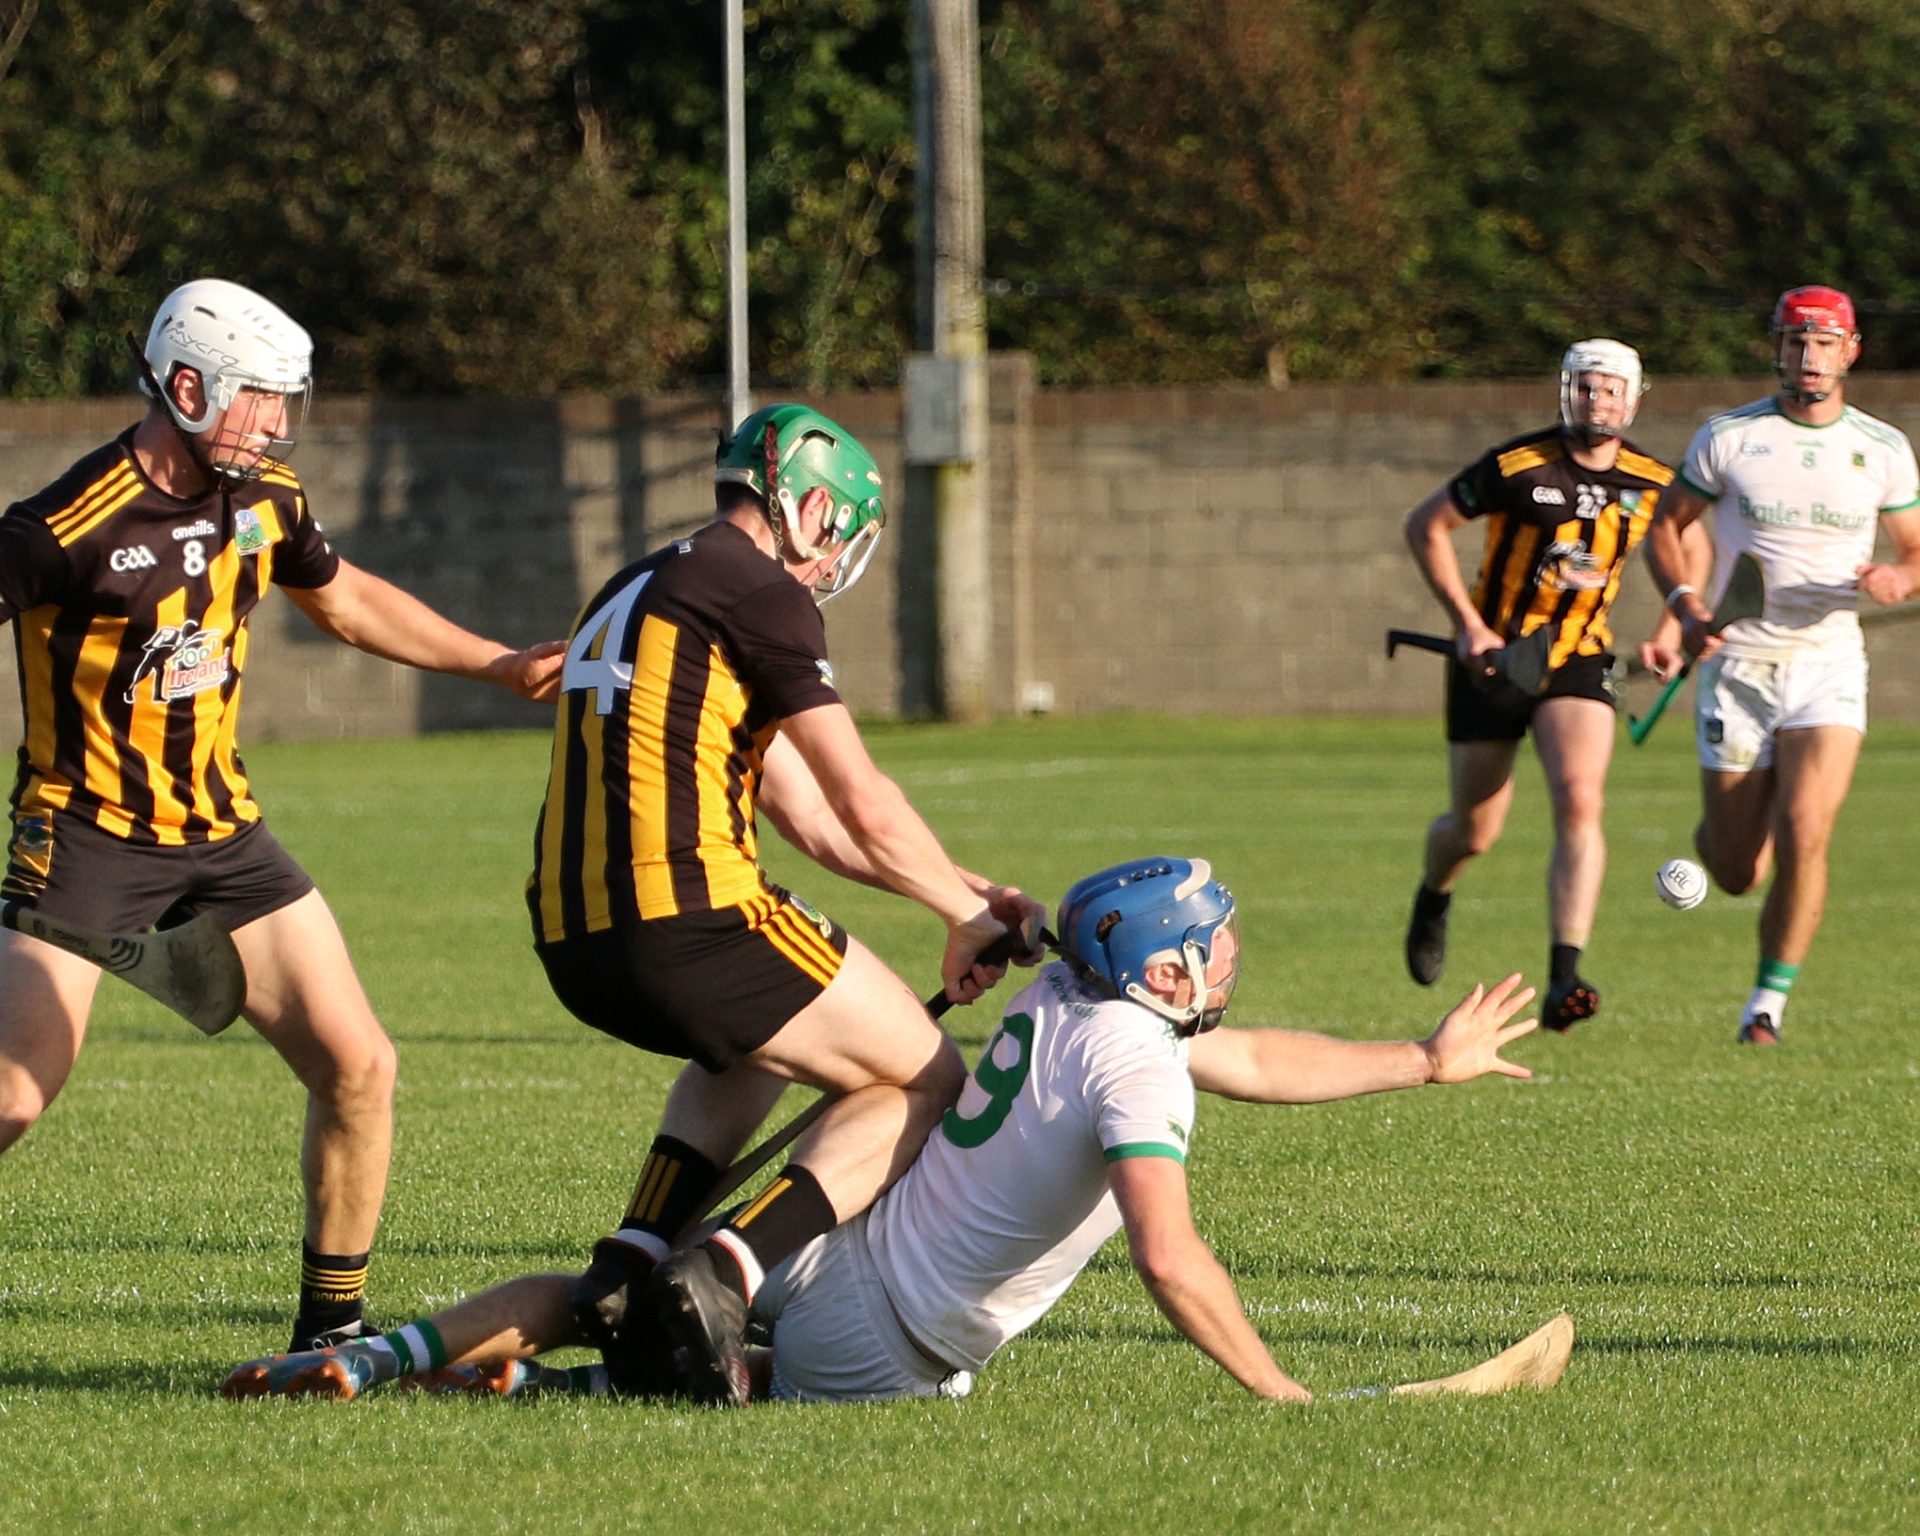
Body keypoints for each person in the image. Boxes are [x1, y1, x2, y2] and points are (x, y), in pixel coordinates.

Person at [221, 856, 1537, 1405]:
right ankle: (575, 1390)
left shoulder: (1070, 989)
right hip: (886, 1336)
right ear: (1168, 972)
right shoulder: (1144, 1072)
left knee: (605, 1297)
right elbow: (1171, 1258)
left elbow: (1251, 1055)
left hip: (831, 1237)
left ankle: (382, 1359)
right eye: (1215, 944)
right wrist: (1281, 1391)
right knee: (677, 1390)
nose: (1232, 956)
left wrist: (1421, 1061)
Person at [0, 278, 564, 1349]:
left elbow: (343, 598)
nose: (276, 422)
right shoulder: (66, 524)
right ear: (184, 387)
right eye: (256, 398)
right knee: (12, 1102)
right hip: (84, 843)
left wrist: (498, 666)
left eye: (283, 400)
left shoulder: (265, 498)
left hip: (223, 840)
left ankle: (330, 1334)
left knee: (359, 1066)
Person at [520, 402, 1043, 1403]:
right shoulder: (758, 593)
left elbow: (808, 819)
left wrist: (966, 889)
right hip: (688, 919)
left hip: (574, 940)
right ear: (804, 509)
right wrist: (958, 921)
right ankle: (727, 1273)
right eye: (836, 532)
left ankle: (631, 1260)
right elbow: (862, 801)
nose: (832, 561)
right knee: (927, 1077)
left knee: (767, 1036)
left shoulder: (636, 581)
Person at [1639, 287, 1920, 1045]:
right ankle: (1723, 839)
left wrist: (1899, 578)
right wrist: (1689, 603)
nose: (1810, 356)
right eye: (1798, 341)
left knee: (1806, 830)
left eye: (1826, 343)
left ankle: (1766, 1005)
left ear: (1852, 351)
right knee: (1737, 870)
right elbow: (1665, 527)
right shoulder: (1730, 437)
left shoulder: (1883, 448)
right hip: (1739, 664)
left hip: (1829, 661)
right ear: (1777, 347)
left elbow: (1914, 551)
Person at [1401, 340, 1676, 1032]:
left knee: (1581, 799)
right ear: (1566, 391)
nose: (1598, 401)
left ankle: (1566, 975)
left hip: (1581, 658)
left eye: (1612, 390)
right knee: (1473, 831)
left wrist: (1673, 624)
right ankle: (1435, 893)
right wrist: (1468, 626)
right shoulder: (1515, 467)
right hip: (1496, 660)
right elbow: (1425, 526)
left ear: (1635, 399)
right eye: (1586, 388)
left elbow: (1689, 550)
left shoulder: (1653, 482)